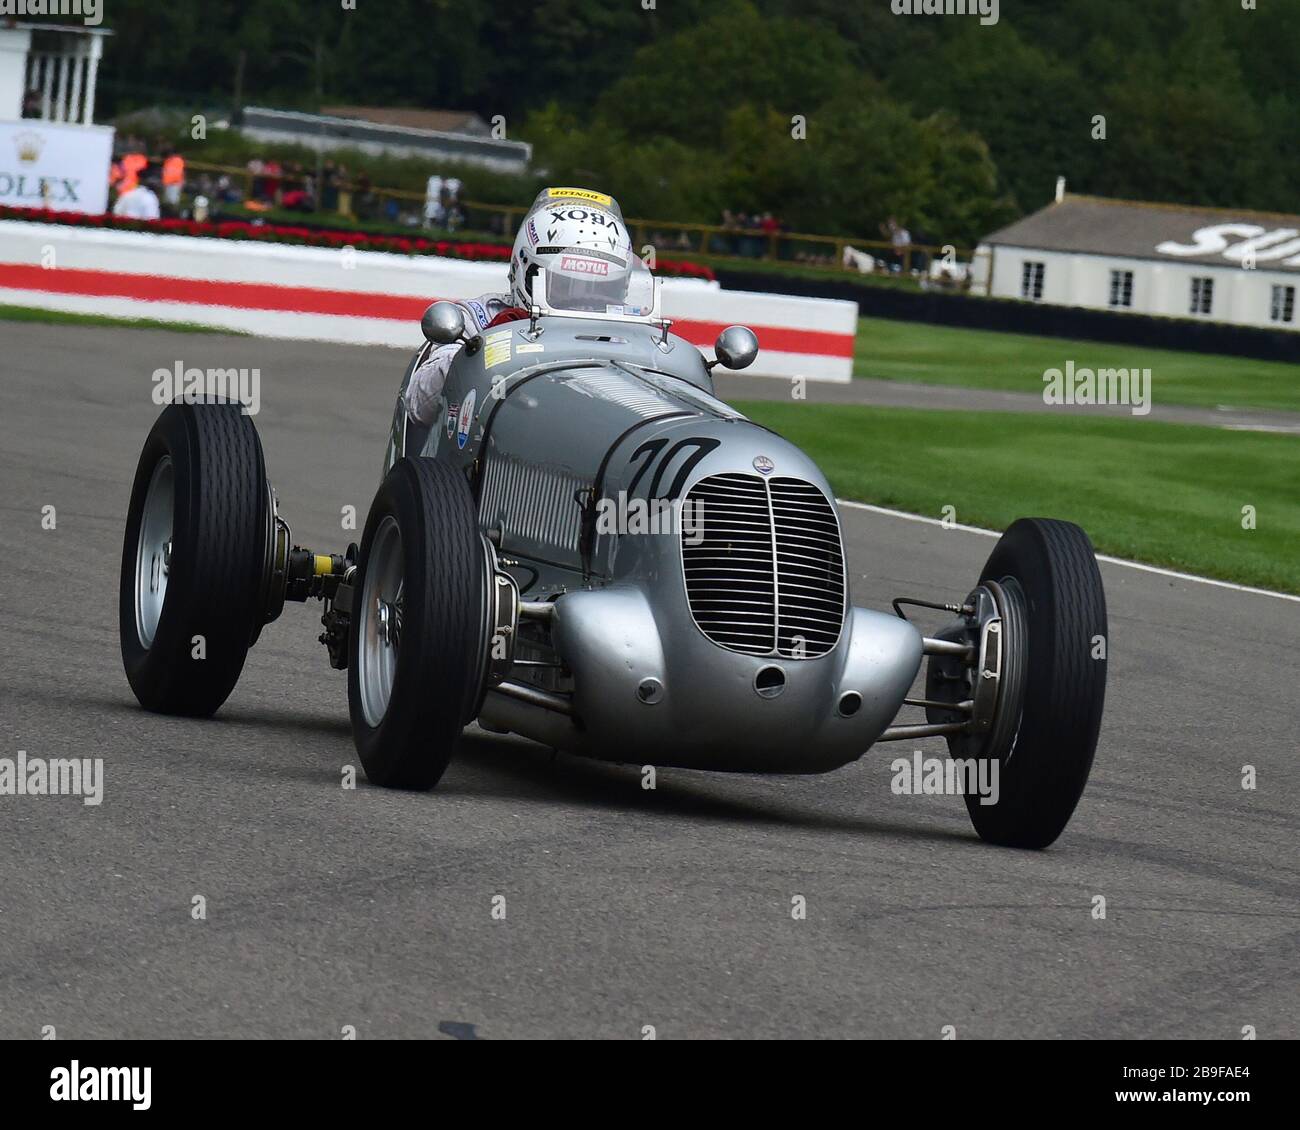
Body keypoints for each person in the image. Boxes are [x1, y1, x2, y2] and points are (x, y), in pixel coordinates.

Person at [404, 187, 636, 427]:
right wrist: (487, 348)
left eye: (600, 290)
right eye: (565, 286)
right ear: (524, 270)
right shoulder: (480, 318)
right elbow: (419, 406)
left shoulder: (630, 337)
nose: (583, 304)